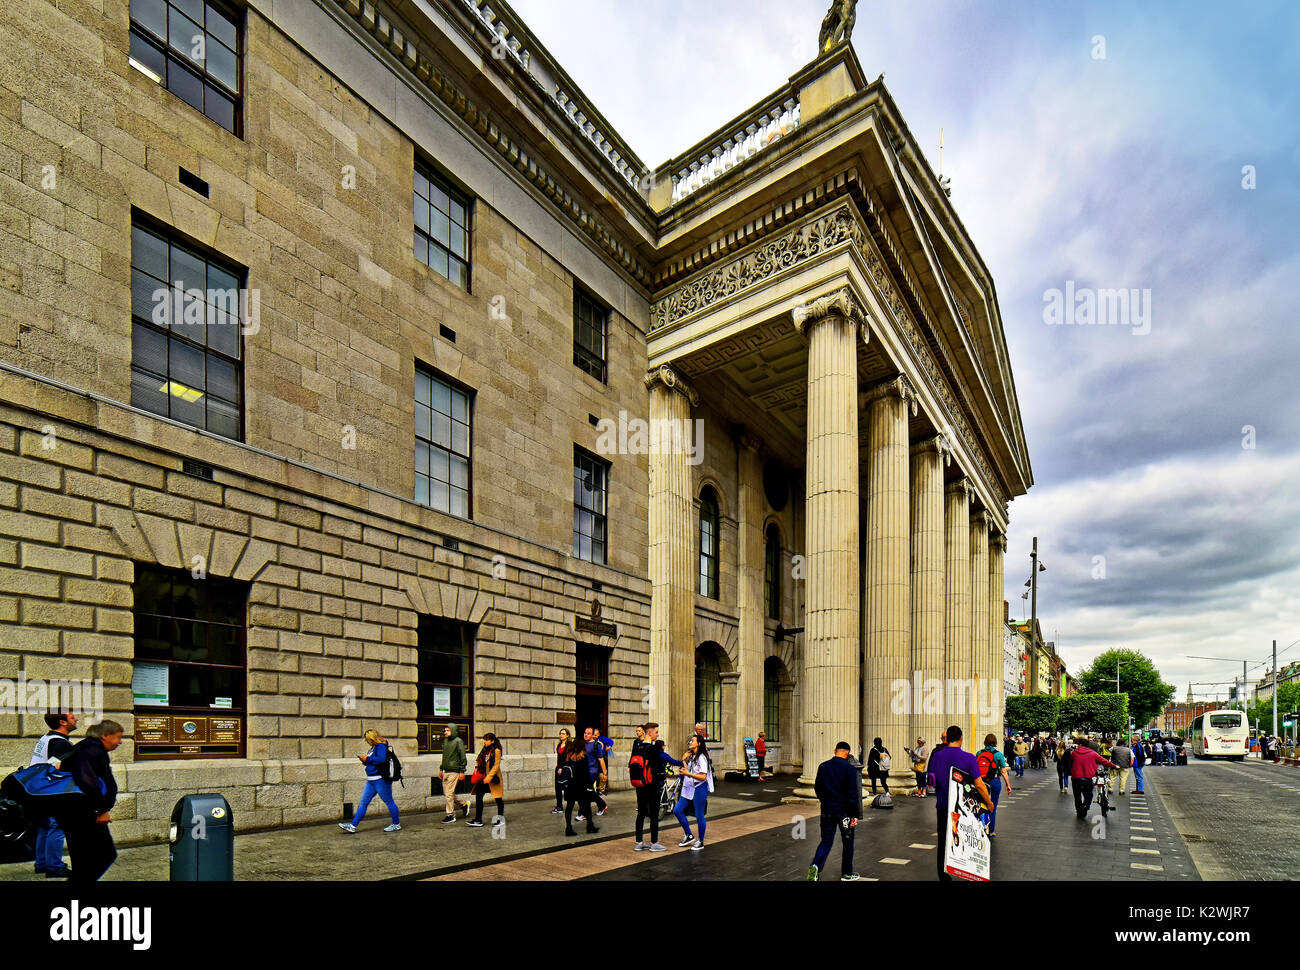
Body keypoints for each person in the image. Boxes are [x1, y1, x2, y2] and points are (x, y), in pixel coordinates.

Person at [53, 720, 122, 883]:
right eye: (118, 737)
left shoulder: (85, 746)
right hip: (83, 815)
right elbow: (86, 780)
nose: (120, 742)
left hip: (72, 813)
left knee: (83, 861)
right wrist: (101, 810)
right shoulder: (91, 750)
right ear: (105, 735)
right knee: (105, 855)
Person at [926, 726, 993, 881]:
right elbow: (979, 785)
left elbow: (932, 781)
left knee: (943, 840)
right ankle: (966, 870)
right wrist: (989, 803)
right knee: (967, 838)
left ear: (947, 738)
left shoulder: (937, 756)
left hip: (943, 806)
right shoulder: (969, 758)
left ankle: (943, 875)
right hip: (963, 809)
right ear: (961, 739)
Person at [30, 710, 78, 878]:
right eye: (72, 717)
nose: (76, 718)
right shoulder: (59, 743)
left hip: (39, 789)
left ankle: (42, 863)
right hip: (52, 791)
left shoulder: (46, 738)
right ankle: (54, 866)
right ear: (62, 722)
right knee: (57, 826)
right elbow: (57, 769)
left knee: (45, 826)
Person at [806, 741, 863, 881]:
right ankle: (847, 873)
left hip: (827, 810)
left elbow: (817, 788)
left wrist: (824, 801)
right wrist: (855, 815)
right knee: (848, 842)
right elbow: (853, 794)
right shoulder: (850, 769)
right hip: (845, 812)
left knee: (826, 841)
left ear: (835, 751)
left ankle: (815, 866)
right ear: (847, 753)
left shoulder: (823, 767)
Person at [631, 722, 682, 852]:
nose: (657, 734)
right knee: (654, 813)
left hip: (640, 784)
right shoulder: (653, 749)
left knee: (641, 813)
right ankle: (654, 843)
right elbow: (658, 768)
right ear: (649, 732)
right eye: (656, 732)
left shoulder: (638, 746)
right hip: (651, 785)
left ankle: (639, 842)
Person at [339, 729, 400, 833]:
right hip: (371, 780)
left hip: (380, 780)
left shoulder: (380, 746)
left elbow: (381, 759)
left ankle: (396, 824)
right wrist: (364, 760)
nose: (367, 742)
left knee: (389, 801)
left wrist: (367, 759)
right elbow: (373, 762)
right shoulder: (373, 748)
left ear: (372, 738)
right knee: (363, 803)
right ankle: (352, 826)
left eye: (368, 740)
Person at [672, 734, 714, 849]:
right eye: (690, 740)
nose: (690, 742)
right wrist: (683, 760)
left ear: (698, 743)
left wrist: (688, 774)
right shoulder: (692, 756)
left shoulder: (702, 757)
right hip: (689, 787)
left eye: (692, 741)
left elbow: (703, 777)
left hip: (700, 788)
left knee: (699, 815)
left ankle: (700, 841)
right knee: (677, 810)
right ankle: (689, 835)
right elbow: (688, 771)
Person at [1068, 742, 1117, 820]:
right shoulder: (1093, 754)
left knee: (1077, 796)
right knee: (1088, 794)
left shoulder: (1074, 753)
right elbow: (1104, 761)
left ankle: (1079, 812)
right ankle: (1086, 806)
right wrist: (1114, 766)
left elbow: (1070, 763)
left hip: (1076, 778)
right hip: (1088, 777)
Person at [561, 737, 598, 836]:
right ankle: (590, 826)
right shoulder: (583, 757)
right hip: (580, 786)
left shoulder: (568, 756)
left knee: (569, 807)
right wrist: (590, 786)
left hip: (570, 786)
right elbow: (586, 774)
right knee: (586, 806)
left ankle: (568, 828)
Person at [977, 733, 1012, 838]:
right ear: (995, 742)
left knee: (982, 804)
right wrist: (1008, 785)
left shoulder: (979, 753)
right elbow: (1004, 771)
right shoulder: (998, 754)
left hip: (982, 782)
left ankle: (982, 827)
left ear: (985, 742)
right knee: (993, 804)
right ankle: (991, 830)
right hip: (995, 781)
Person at [467, 733, 505, 827]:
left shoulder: (496, 751)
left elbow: (496, 766)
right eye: (484, 739)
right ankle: (478, 820)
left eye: (486, 740)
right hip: (484, 777)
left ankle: (501, 819)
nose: (484, 741)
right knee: (479, 795)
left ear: (492, 741)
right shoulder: (485, 750)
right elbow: (480, 760)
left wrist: (489, 777)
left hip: (493, 778)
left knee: (498, 798)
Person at [439, 723, 469, 823]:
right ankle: (464, 804)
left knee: (448, 794)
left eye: (448, 730)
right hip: (446, 770)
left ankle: (450, 815)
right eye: (445, 730)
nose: (445, 732)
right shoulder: (446, 741)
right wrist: (441, 769)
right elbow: (444, 756)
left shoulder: (458, 741)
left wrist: (462, 771)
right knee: (448, 793)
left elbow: (463, 757)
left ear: (453, 731)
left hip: (455, 770)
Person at [551, 728, 572, 814]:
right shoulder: (559, 744)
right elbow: (559, 758)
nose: (561, 735)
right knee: (557, 787)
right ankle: (559, 806)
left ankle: (570, 804)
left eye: (563, 734)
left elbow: (568, 758)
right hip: (558, 768)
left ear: (567, 735)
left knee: (566, 787)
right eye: (560, 733)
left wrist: (562, 768)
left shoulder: (569, 744)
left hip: (565, 768)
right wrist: (558, 767)